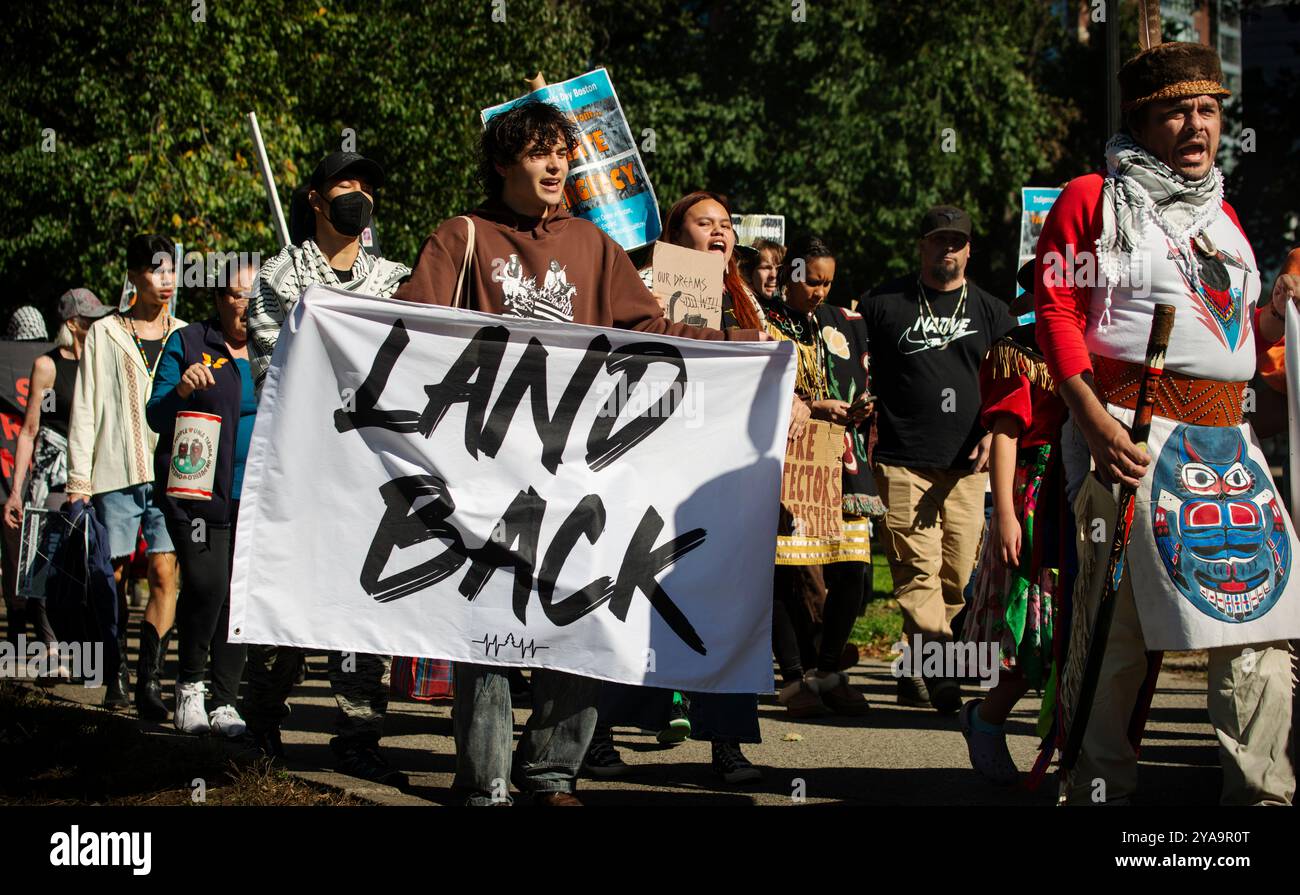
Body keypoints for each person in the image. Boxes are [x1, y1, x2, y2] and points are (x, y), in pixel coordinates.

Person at [394, 99, 766, 805]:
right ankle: (487, 780)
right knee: (489, 624)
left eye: (562, 152)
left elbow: (653, 334)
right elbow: (412, 329)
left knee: (586, 614)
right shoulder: (462, 237)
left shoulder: (594, 247)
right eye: (539, 152)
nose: (557, 164)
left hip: (580, 473)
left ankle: (553, 771)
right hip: (486, 474)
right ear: (504, 163)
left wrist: (742, 348)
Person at [1036, 41, 1297, 806]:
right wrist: (1088, 418)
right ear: (1143, 121)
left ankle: (1262, 796)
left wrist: (1276, 314)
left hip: (1230, 444)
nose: (1196, 125)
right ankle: (1098, 788)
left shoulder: (1226, 212)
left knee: (1257, 625)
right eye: (1177, 111)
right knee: (1115, 627)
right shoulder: (1092, 197)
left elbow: (1228, 327)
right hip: (1130, 431)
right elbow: (1056, 308)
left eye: (1209, 110)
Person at [582, 192, 792, 784]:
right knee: (629, 600)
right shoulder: (642, 282)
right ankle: (598, 739)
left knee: (726, 603)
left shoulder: (743, 298)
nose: (721, 231)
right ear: (674, 233)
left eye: (728, 224)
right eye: (706, 222)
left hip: (719, 479)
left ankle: (726, 744)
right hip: (648, 468)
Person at [244, 150, 411, 785]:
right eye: (347, 184)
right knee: (291, 599)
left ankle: (359, 735)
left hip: (374, 473)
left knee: (367, 604)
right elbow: (271, 371)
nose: (360, 195)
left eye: (368, 186)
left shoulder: (396, 277)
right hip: (306, 469)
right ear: (315, 198)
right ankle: (261, 717)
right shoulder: (280, 276)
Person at [860, 206, 1015, 713]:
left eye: (956, 241)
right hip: (903, 459)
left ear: (969, 249)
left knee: (956, 575)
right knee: (917, 571)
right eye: (937, 240)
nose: (947, 249)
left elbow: (1012, 386)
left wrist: (996, 431)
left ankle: (915, 668)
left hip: (969, 466)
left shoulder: (992, 312)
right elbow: (855, 365)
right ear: (922, 246)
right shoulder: (883, 304)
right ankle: (942, 670)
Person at [67, 236, 185, 716]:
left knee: (163, 573)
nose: (167, 280)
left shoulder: (185, 334)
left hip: (171, 474)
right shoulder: (105, 332)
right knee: (109, 573)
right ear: (135, 275)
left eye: (172, 270)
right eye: (157, 270)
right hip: (115, 469)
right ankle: (114, 670)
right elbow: (85, 406)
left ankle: (149, 682)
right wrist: (79, 479)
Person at [959, 262, 1066, 784]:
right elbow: (1006, 435)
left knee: (1080, 635)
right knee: (1031, 639)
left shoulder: (1103, 348)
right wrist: (1004, 514)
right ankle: (985, 719)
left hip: (1088, 501)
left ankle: (1082, 753)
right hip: (1035, 501)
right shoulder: (1017, 351)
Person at [763, 234, 877, 718]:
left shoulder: (845, 323)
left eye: (828, 282)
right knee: (786, 570)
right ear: (791, 275)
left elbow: (864, 376)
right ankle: (792, 679)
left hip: (844, 458)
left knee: (852, 567)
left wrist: (861, 406)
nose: (820, 291)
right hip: (786, 458)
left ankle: (828, 670)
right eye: (812, 280)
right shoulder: (761, 322)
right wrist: (809, 407)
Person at [146, 258, 258, 738]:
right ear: (217, 299)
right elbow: (155, 412)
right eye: (236, 295)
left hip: (254, 497)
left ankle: (225, 701)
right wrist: (182, 391)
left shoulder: (272, 347)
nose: (246, 306)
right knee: (208, 584)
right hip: (198, 494)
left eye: (255, 296)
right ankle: (189, 687)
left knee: (240, 596)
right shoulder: (190, 342)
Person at [4, 290, 114, 659]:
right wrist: (16, 492)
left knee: (92, 561)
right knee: (46, 557)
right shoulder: (47, 366)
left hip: (97, 472)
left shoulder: (103, 363)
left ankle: (87, 648)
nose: (100, 323)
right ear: (73, 324)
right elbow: (30, 430)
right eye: (92, 319)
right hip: (55, 473)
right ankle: (51, 649)